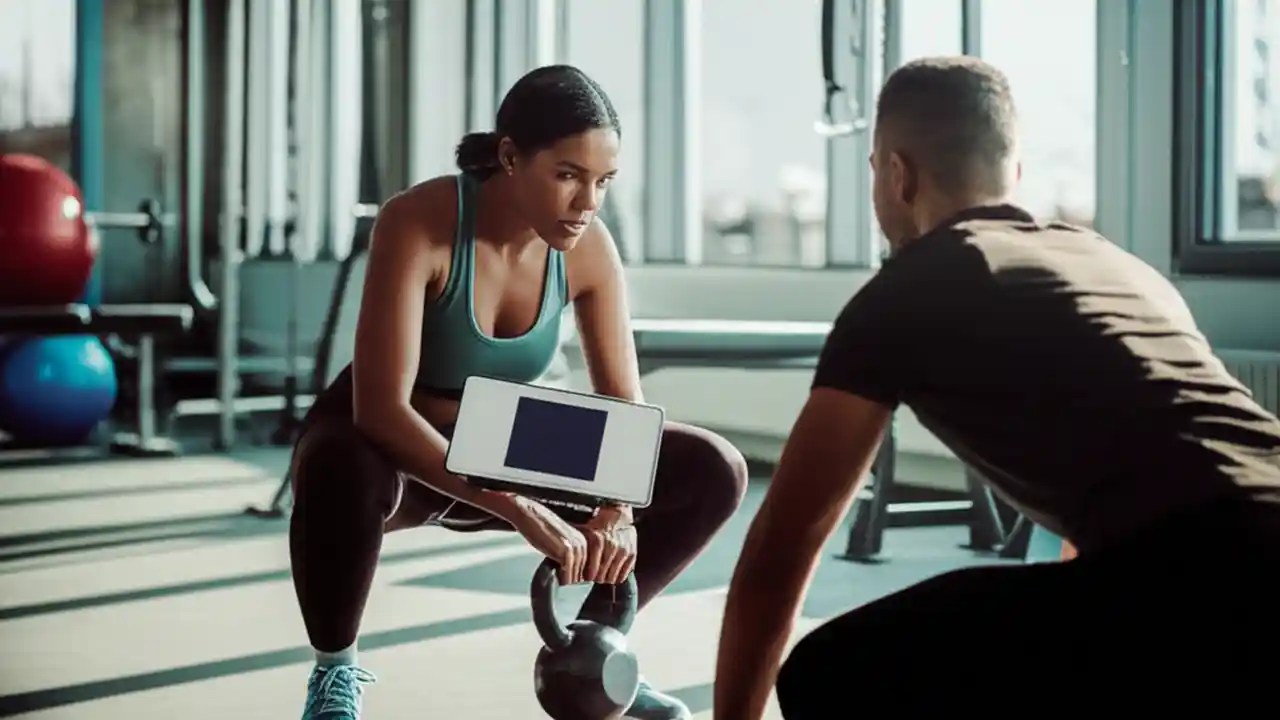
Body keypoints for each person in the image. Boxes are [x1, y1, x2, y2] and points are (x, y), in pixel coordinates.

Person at [713, 55, 1280, 718]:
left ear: (896, 175)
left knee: (830, 670)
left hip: (1201, 578)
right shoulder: (1123, 269)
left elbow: (781, 550)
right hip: (1225, 555)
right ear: (1013, 170)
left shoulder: (904, 292)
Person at [289, 64, 748, 720]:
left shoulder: (589, 249)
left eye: (603, 182)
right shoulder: (416, 221)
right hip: (394, 439)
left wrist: (615, 510)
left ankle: (595, 652)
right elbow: (383, 410)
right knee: (342, 464)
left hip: (500, 432)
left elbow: (625, 410)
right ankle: (334, 678)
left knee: (711, 469)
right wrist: (521, 510)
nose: (587, 203)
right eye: (568, 175)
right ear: (510, 156)